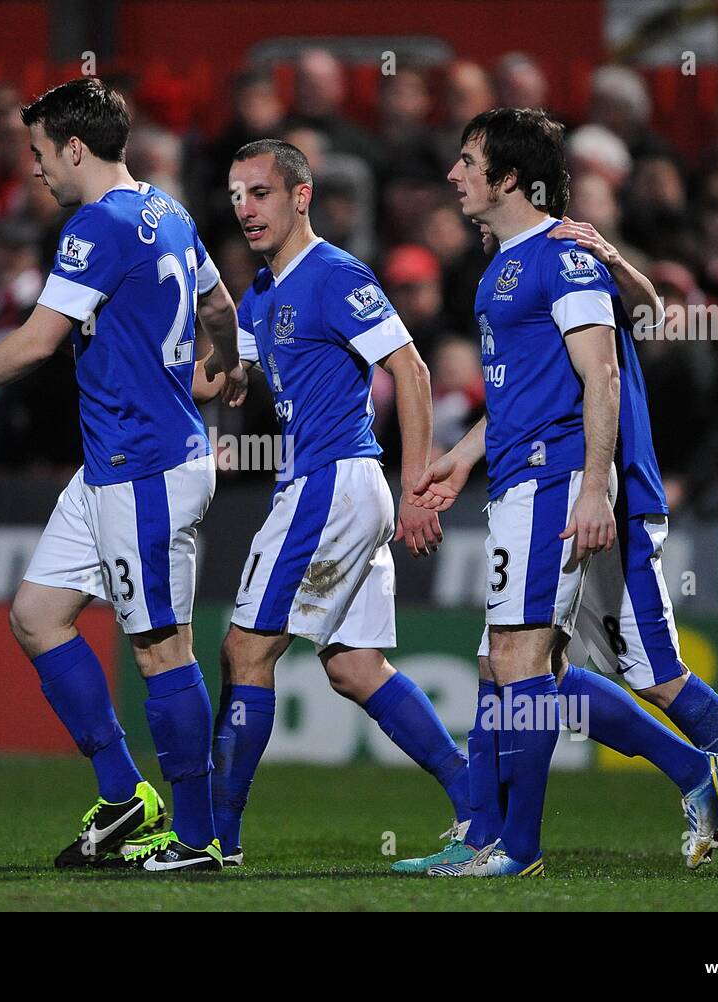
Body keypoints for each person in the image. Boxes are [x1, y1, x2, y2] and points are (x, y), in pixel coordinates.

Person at [414, 202, 718, 879]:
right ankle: (494, 833)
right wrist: (463, 455)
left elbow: (640, 326)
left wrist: (598, 487)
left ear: (509, 180)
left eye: (469, 165)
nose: (455, 184)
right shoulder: (513, 271)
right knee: (517, 666)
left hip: (603, 492)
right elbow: (534, 395)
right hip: (563, 488)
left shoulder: (566, 253)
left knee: (646, 674)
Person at [0, 77, 246, 873]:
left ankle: (198, 839)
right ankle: (127, 793)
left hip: (146, 469)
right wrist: (226, 367)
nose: (36, 170)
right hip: (112, 466)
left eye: (40, 154)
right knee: (36, 615)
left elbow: (37, 339)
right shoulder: (168, 210)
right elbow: (221, 306)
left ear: (75, 149)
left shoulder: (96, 225)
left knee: (161, 650)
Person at [196, 139, 464, 868]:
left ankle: (215, 839)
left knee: (244, 650)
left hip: (332, 481)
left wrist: (418, 487)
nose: (245, 208)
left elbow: (408, 366)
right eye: (236, 195)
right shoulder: (261, 290)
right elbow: (227, 378)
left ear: (301, 196)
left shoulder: (335, 274)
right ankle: (478, 804)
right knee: (352, 666)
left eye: (261, 193)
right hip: (332, 484)